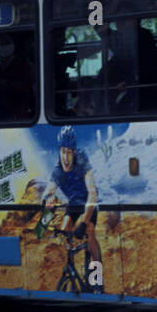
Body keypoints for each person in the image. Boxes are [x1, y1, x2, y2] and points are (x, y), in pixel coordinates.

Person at [41, 125, 104, 293]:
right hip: (74, 204)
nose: (65, 157)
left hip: (88, 204)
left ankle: (96, 279)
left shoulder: (83, 162)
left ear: (74, 152)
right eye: (63, 151)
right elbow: (50, 193)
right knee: (64, 233)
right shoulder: (57, 170)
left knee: (90, 233)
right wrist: (43, 224)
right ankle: (70, 271)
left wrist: (84, 222)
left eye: (69, 152)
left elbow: (93, 193)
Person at [0, 34, 34, 120]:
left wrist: (9, 84)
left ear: (13, 45)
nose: (2, 46)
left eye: (6, 42)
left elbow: (28, 86)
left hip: (20, 113)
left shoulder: (24, 66)